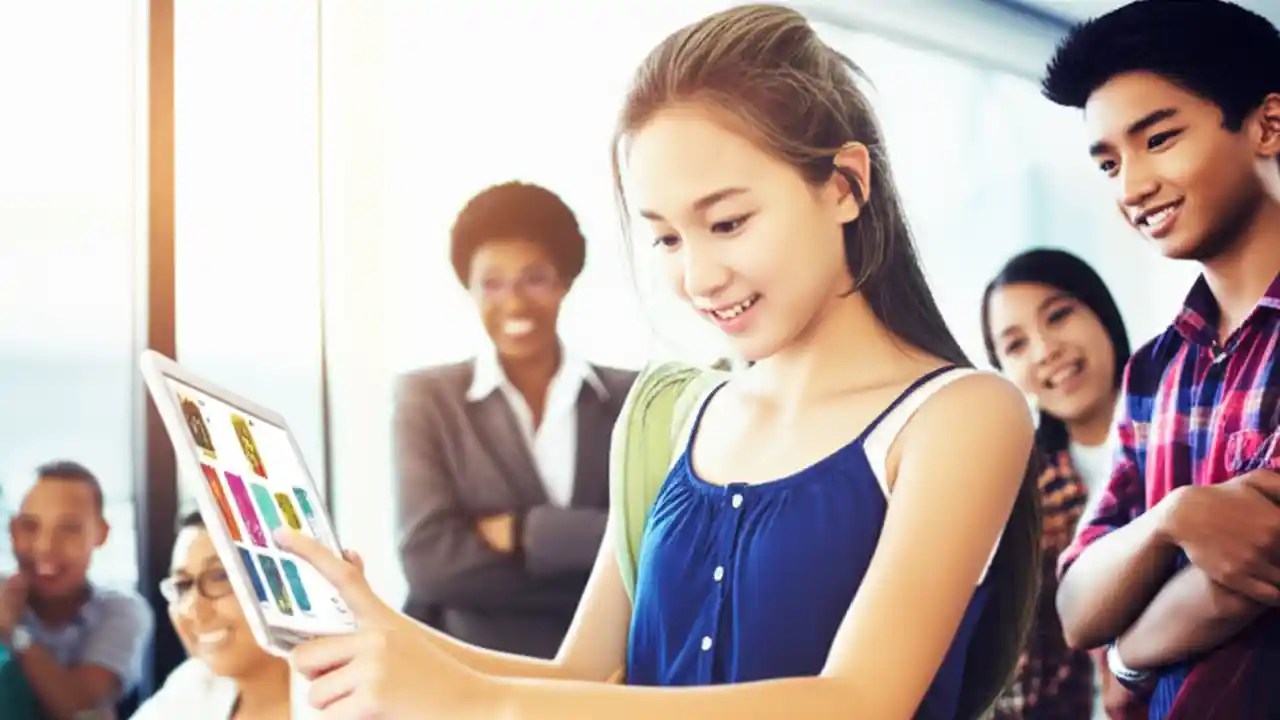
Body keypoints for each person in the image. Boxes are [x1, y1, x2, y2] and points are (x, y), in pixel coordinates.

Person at [280, 5, 1041, 718]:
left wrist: (482, 703)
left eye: (728, 222)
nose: (698, 278)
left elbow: (856, 701)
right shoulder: (684, 417)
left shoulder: (963, 415)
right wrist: (386, 637)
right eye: (668, 238)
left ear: (845, 185)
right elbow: (580, 678)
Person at [1041, 1, 1280, 718]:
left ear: (1269, 124)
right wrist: (1173, 519)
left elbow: (1257, 559)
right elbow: (1078, 603)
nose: (1132, 187)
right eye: (1110, 161)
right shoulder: (1154, 367)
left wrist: (1127, 656)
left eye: (1161, 139)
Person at [395, 180, 638, 659]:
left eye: (535, 278)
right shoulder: (427, 399)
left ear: (565, 282)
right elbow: (429, 565)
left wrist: (527, 533)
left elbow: (653, 544)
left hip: (603, 680)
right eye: (492, 283)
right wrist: (598, 573)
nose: (514, 302)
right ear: (469, 288)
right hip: (469, 677)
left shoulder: (632, 399)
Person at [982, 249, 1143, 719]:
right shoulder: (1017, 495)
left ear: (1100, 310)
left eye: (1058, 315)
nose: (1046, 350)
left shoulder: (1189, 430)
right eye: (1015, 346)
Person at [0, 461, 153, 719]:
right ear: (13, 531)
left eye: (69, 529)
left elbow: (79, 706)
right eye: (30, 526)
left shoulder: (120, 610)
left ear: (101, 533)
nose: (46, 546)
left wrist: (14, 632)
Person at [129, 512, 291, 719]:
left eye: (220, 576)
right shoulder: (193, 685)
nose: (193, 609)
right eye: (182, 585)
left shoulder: (339, 701)